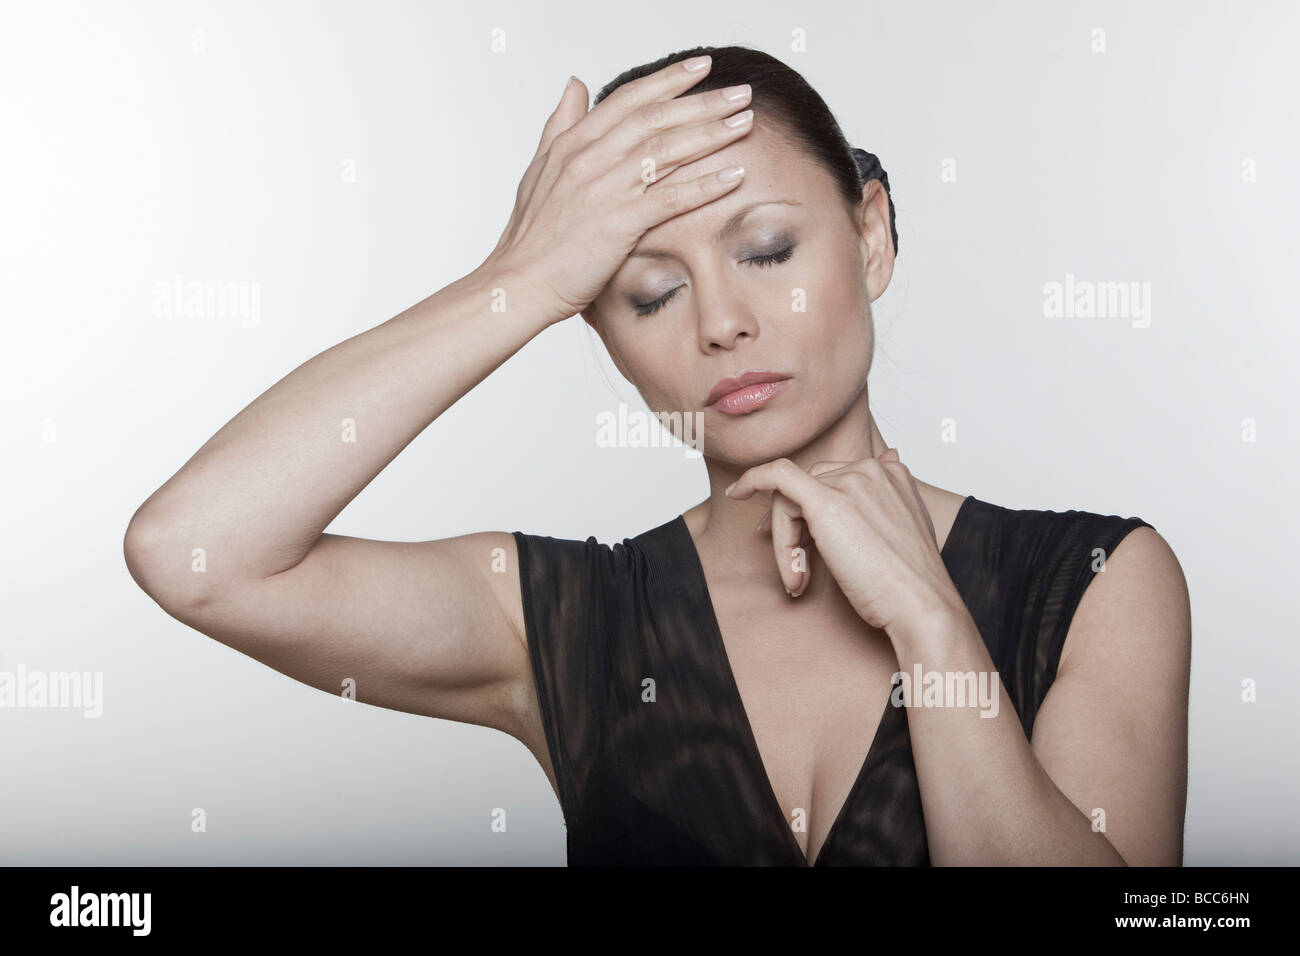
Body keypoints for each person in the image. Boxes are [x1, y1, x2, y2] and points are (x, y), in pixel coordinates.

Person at [124, 45, 1191, 866]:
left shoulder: (1099, 579)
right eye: (647, 290)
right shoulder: (561, 617)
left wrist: (932, 623)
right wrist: (524, 278)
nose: (721, 321)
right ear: (601, 331)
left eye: (766, 249)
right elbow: (195, 553)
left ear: (871, 236)